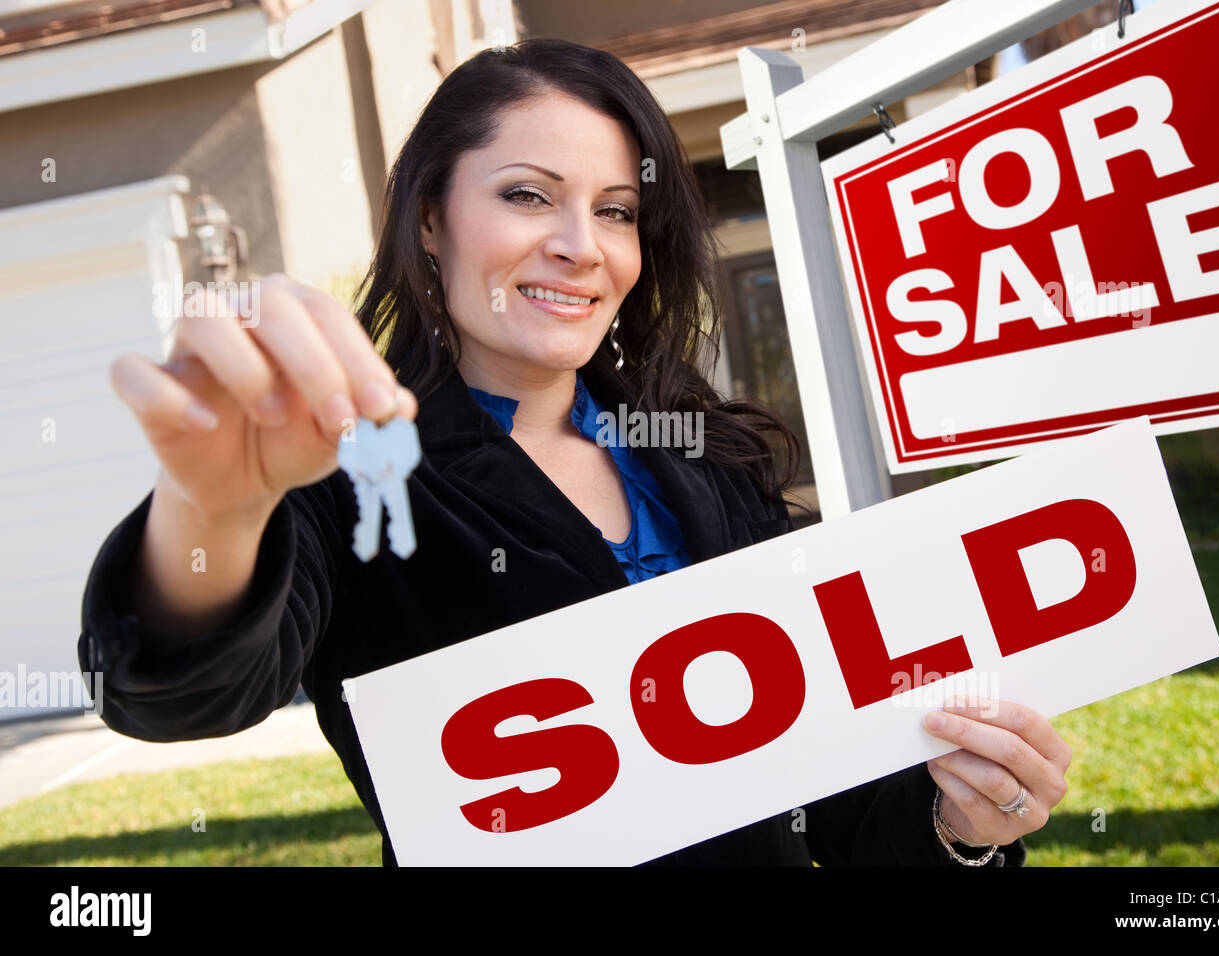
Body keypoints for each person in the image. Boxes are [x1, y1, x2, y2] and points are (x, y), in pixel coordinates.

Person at [80, 38, 1070, 866]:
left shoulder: (707, 457)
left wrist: (960, 826)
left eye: (613, 209)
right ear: (430, 220)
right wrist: (213, 504)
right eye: (525, 195)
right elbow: (172, 693)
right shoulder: (342, 473)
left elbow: (840, 802)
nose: (579, 244)